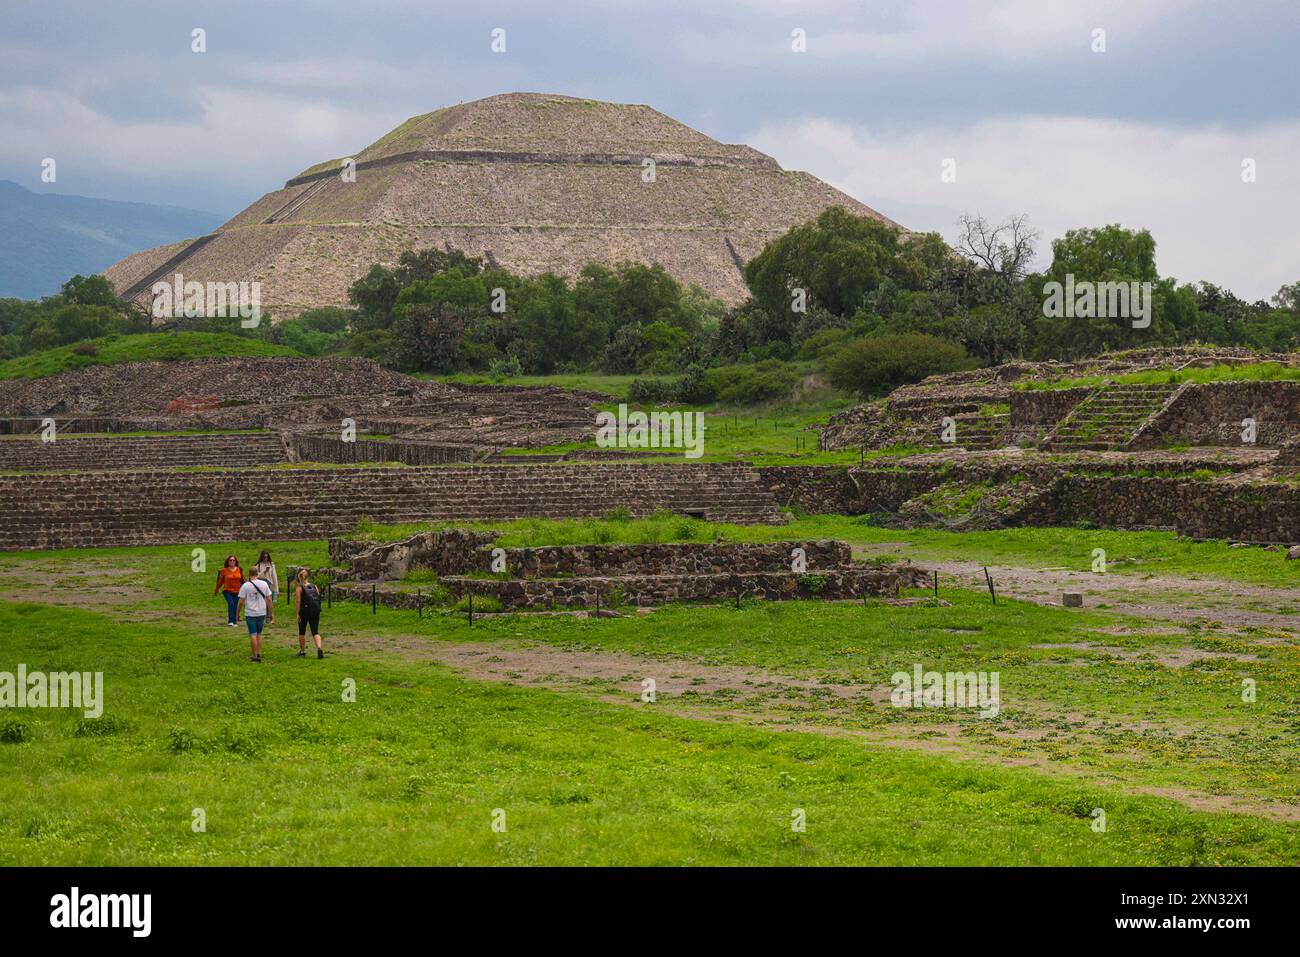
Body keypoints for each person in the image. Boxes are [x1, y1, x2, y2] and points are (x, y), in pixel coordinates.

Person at [237, 565, 274, 663]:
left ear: (249, 575)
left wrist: (237, 613)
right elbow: (269, 599)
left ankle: (254, 656)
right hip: (262, 612)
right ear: (257, 574)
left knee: (253, 634)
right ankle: (259, 652)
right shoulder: (264, 584)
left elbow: (241, 601)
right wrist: (271, 613)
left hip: (250, 613)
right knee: (259, 634)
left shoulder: (245, 585)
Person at [294, 568, 325, 659]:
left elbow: (298, 601)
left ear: (299, 578)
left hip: (304, 611)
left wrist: (297, 614)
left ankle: (302, 651)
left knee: (302, 631)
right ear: (307, 577)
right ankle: (319, 648)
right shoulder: (314, 586)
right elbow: (318, 597)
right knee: (315, 631)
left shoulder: (299, 588)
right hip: (315, 610)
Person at [214, 555, 245, 627]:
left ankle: (235, 621)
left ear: (236, 562)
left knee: (236, 606)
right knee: (231, 604)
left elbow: (243, 579)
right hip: (227, 590)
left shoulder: (239, 569)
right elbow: (220, 581)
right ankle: (230, 621)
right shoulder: (224, 571)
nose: (232, 562)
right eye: (230, 560)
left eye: (233, 560)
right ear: (227, 562)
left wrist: (248, 588)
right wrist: (216, 589)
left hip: (237, 591)